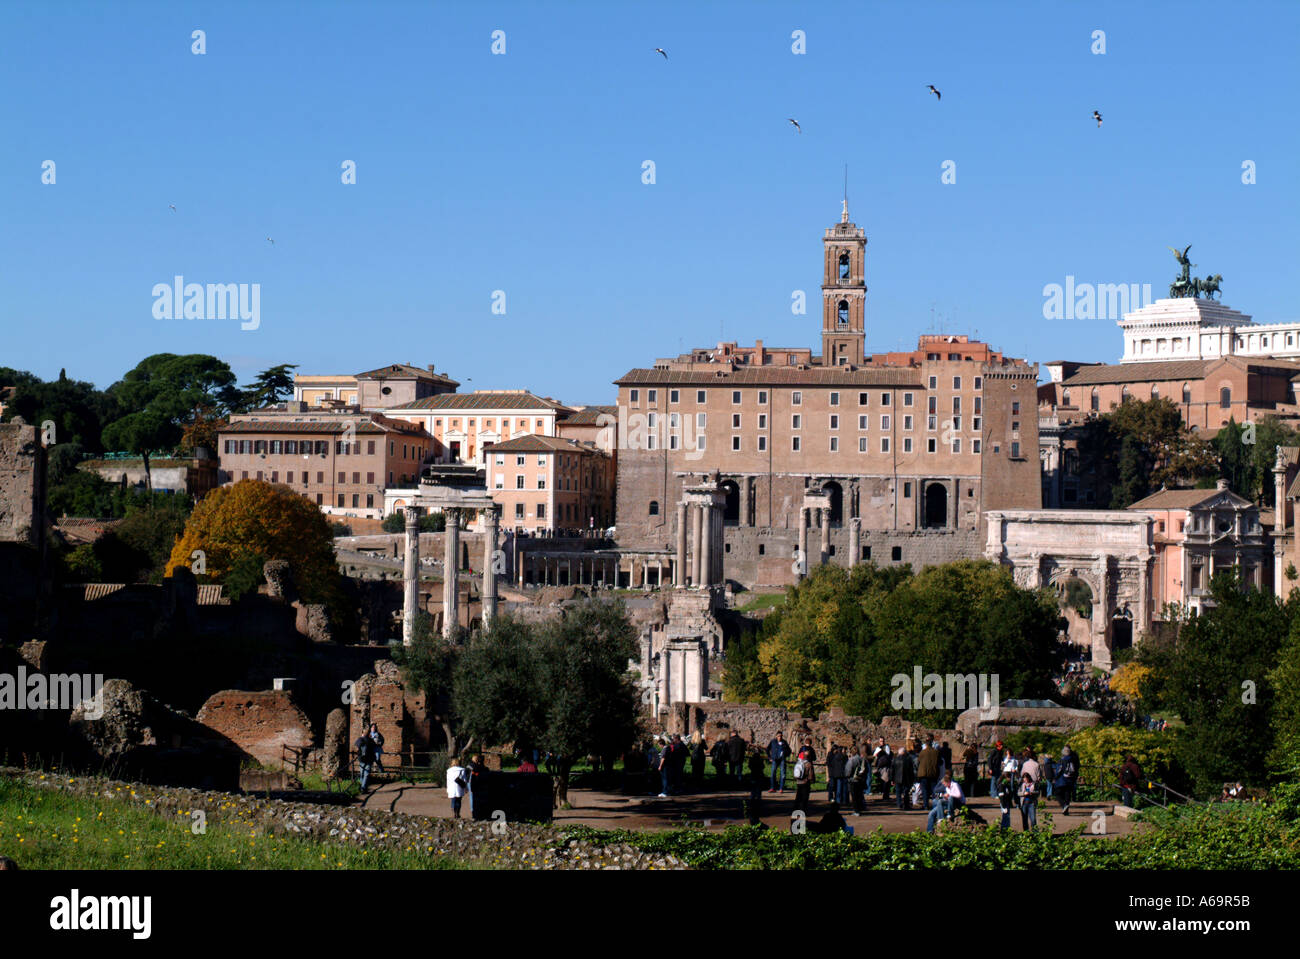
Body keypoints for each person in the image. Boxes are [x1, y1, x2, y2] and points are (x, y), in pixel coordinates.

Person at [916, 737, 940, 808]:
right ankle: (936, 804)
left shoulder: (922, 752)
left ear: (926, 745)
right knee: (934, 790)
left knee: (925, 790)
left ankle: (925, 805)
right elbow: (939, 762)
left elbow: (918, 761)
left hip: (923, 774)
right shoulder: (936, 752)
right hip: (933, 773)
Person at [1054, 746, 1078, 815]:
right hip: (1070, 779)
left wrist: (1055, 777)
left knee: (1057, 793)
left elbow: (1059, 770)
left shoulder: (1062, 760)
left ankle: (1064, 805)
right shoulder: (1073, 759)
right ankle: (1066, 810)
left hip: (1062, 779)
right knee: (1067, 794)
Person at [892, 741, 916, 810]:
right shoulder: (908, 760)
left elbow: (892, 770)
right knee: (906, 792)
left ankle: (899, 804)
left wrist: (892, 779)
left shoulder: (895, 759)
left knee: (898, 792)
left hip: (897, 778)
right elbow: (911, 771)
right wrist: (912, 779)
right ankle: (906, 805)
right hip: (906, 778)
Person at [846, 745, 868, 814]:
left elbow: (848, 771)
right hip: (860, 779)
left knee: (854, 797)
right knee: (859, 795)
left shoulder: (851, 760)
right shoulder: (862, 759)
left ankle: (856, 811)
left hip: (853, 780)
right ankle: (860, 808)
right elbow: (866, 769)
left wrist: (847, 776)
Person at [745, 753, 766, 824]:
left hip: (753, 775)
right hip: (759, 775)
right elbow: (763, 767)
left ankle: (752, 799)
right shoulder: (760, 760)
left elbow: (749, 766)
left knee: (753, 788)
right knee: (758, 789)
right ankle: (758, 799)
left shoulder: (751, 760)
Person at [792, 749, 814, 813]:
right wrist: (811, 780)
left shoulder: (798, 763)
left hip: (799, 782)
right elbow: (810, 775)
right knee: (805, 797)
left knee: (798, 796)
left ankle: (795, 808)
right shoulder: (809, 764)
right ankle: (803, 809)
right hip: (805, 782)